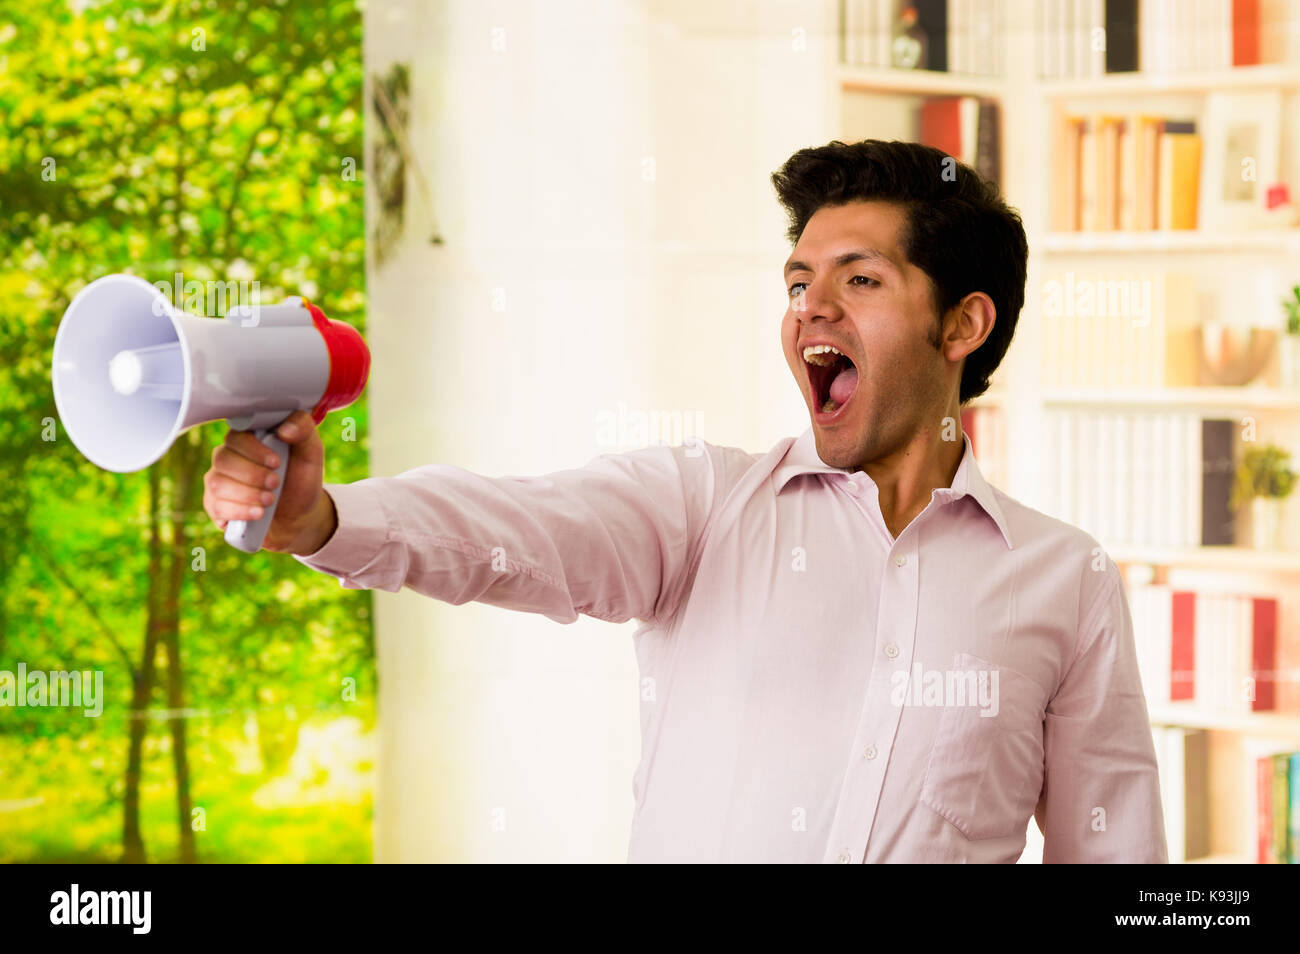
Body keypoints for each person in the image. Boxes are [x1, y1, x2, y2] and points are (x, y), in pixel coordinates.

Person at [202, 139, 1167, 863]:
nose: (810, 309)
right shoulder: (704, 508)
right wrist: (322, 523)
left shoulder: (1063, 580)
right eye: (799, 282)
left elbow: (1118, 855)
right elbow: (516, 526)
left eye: (858, 279)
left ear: (964, 323)